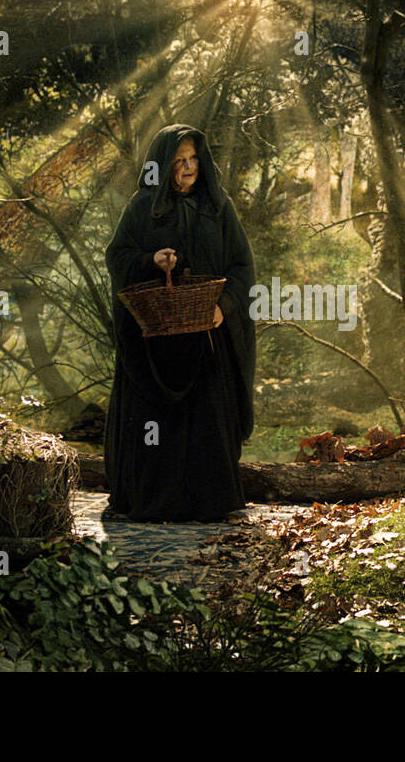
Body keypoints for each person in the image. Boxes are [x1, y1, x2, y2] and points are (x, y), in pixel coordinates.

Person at [103, 124, 256, 522]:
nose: (188, 169)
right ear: (162, 166)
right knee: (155, 423)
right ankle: (150, 502)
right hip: (154, 341)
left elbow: (242, 266)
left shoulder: (219, 208)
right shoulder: (142, 207)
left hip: (207, 334)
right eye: (178, 162)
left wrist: (224, 306)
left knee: (207, 416)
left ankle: (215, 502)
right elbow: (117, 257)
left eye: (192, 160)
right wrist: (150, 261)